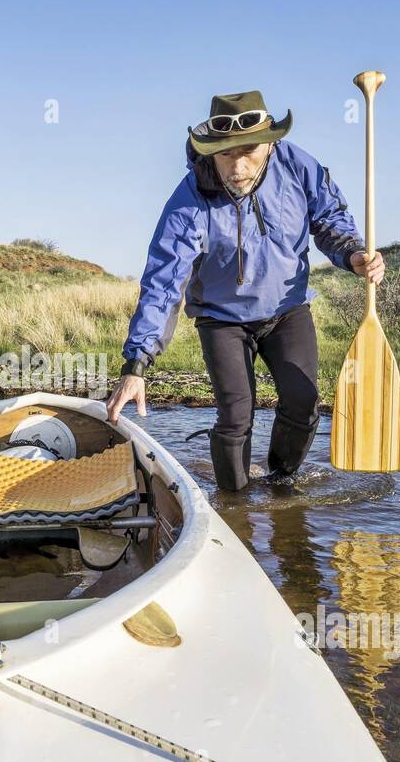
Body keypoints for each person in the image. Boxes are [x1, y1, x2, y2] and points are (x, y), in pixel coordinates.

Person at [105, 90, 385, 491]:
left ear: (270, 144)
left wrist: (353, 253)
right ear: (210, 151)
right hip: (222, 320)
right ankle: (233, 506)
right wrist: (137, 365)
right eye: (225, 154)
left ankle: (279, 482)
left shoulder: (298, 167)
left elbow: (328, 219)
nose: (237, 166)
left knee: (304, 404)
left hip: (287, 310)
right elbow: (164, 283)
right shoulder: (190, 200)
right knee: (236, 414)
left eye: (248, 151)